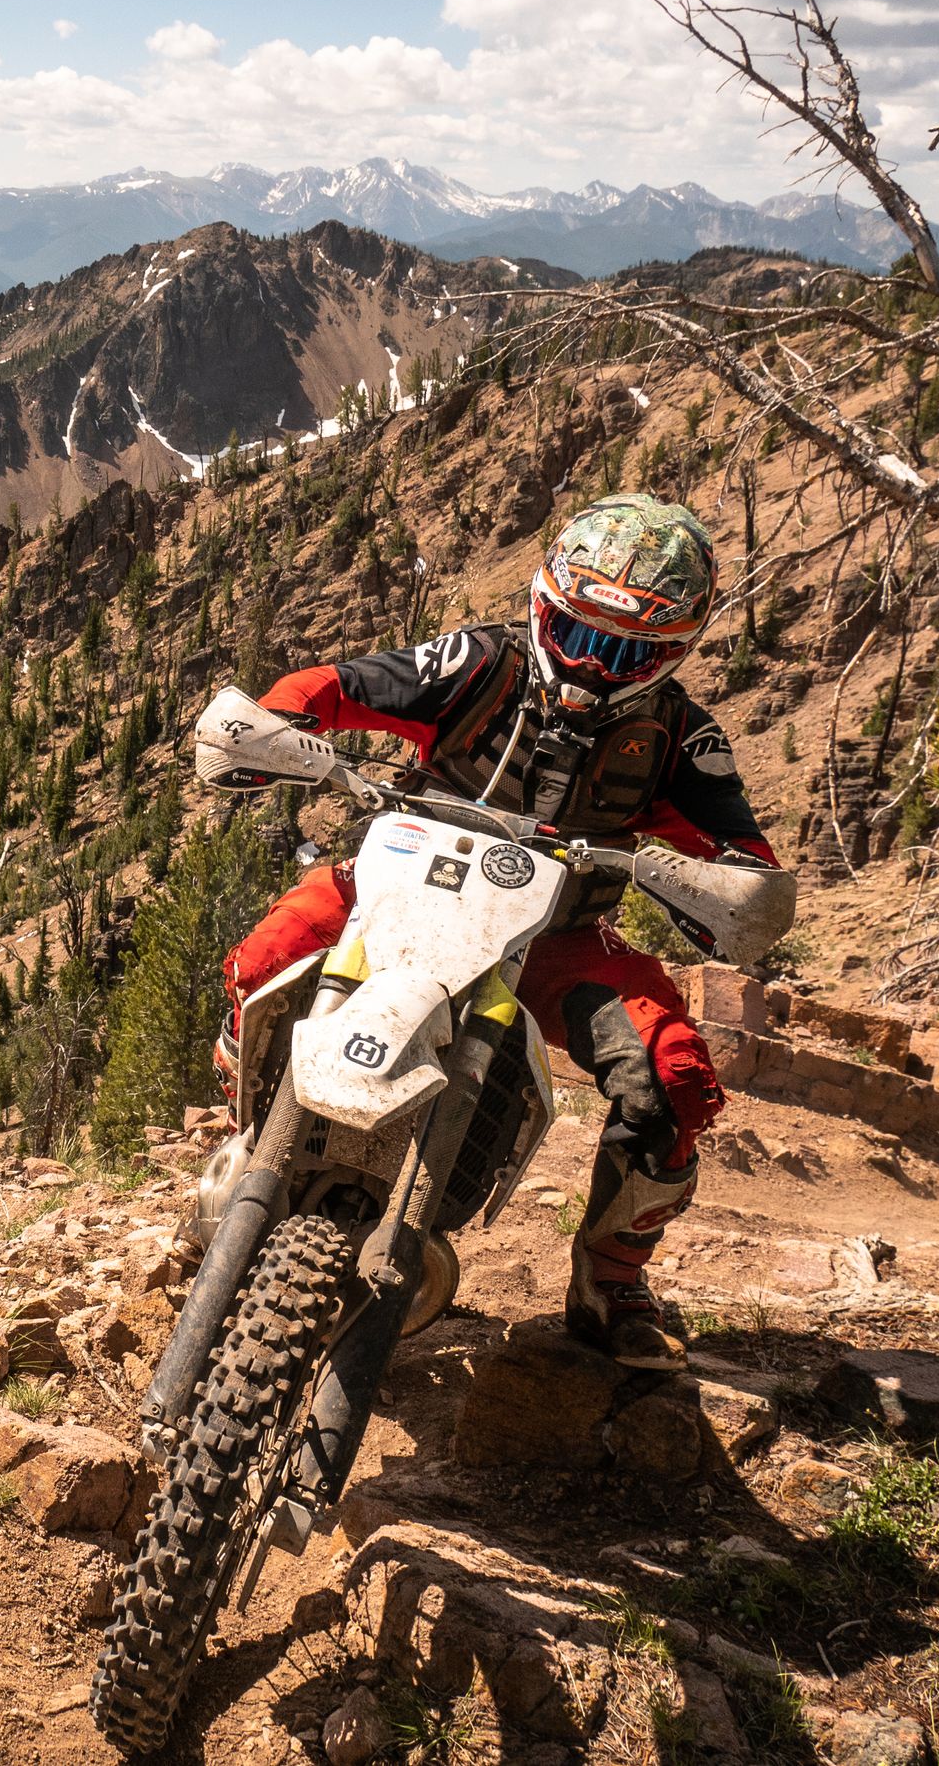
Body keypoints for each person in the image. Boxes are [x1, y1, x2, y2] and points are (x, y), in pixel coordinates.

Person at [219, 494, 779, 1369]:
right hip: (401, 879)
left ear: (670, 655)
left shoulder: (679, 738)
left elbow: (747, 858)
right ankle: (249, 1142)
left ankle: (611, 1280)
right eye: (579, 634)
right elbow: (342, 684)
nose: (594, 664)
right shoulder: (479, 664)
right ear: (543, 604)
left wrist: (714, 886)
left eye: (625, 650)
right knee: (272, 951)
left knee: (670, 1073)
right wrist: (280, 727)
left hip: (557, 933)